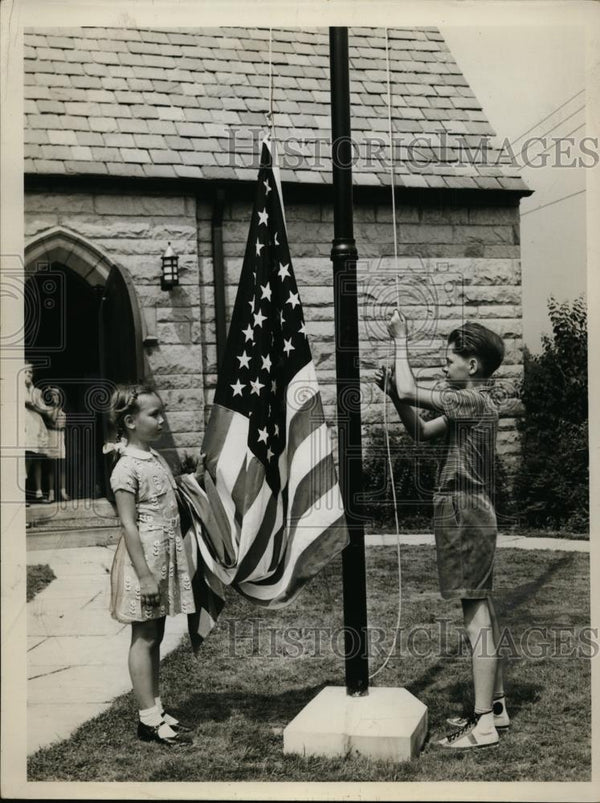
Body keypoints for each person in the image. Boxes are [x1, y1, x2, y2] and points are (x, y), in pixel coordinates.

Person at [375, 313, 509, 750]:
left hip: (464, 511)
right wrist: (395, 399)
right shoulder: (471, 405)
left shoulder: (470, 401)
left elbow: (412, 388)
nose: (443, 367)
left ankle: (484, 723)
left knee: (475, 619)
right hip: (470, 511)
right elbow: (419, 429)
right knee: (482, 609)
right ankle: (498, 708)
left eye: (449, 359)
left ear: (472, 366)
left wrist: (400, 339)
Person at [105, 382, 201, 746]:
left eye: (162, 412)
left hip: (163, 557)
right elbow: (128, 523)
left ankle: (156, 709)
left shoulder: (154, 457)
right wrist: (144, 574)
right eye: (154, 414)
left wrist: (196, 478)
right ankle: (147, 720)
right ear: (130, 421)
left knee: (155, 634)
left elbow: (168, 497)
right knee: (144, 636)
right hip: (143, 562)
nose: (162, 420)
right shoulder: (125, 467)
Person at [24, 363, 49, 502]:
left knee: (37, 459)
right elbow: (28, 403)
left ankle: (39, 493)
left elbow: (43, 408)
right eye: (25, 371)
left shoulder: (37, 391)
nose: (28, 374)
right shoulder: (17, 388)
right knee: (26, 459)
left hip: (37, 425)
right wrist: (36, 406)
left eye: (30, 372)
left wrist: (36, 406)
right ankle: (22, 494)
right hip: (25, 425)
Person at [44, 386, 70, 503]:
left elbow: (63, 425)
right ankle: (51, 493)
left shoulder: (63, 411)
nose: (56, 398)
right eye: (53, 395)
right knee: (52, 466)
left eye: (57, 396)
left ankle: (63, 491)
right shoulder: (48, 410)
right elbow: (53, 420)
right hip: (52, 436)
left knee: (62, 465)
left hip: (60, 437)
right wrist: (55, 407)